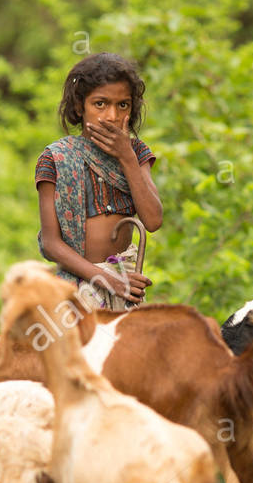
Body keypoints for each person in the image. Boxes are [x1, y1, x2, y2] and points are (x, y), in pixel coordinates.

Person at [36, 52, 162, 310]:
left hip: (126, 285)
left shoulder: (136, 154)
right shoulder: (56, 158)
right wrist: (107, 280)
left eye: (123, 105)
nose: (112, 116)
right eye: (100, 104)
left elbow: (153, 220)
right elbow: (51, 244)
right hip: (77, 288)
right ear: (80, 106)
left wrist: (126, 156)